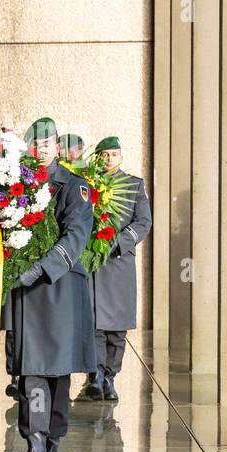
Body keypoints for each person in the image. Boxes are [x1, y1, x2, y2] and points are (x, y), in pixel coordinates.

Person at [9, 118, 96, 452]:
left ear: (57, 147)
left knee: (57, 372)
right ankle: (34, 444)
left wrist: (41, 268)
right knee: (31, 371)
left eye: (47, 144)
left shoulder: (73, 187)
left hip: (58, 288)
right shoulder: (14, 185)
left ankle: (53, 443)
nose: (40, 149)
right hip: (27, 296)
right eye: (35, 143)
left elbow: (76, 235)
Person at [82, 136, 152, 401]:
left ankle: (111, 376)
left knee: (117, 329)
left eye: (114, 154)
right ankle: (96, 375)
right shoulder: (88, 184)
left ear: (121, 157)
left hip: (119, 262)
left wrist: (116, 242)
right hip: (94, 265)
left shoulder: (135, 186)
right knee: (95, 324)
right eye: (104, 155)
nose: (109, 159)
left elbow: (143, 222)